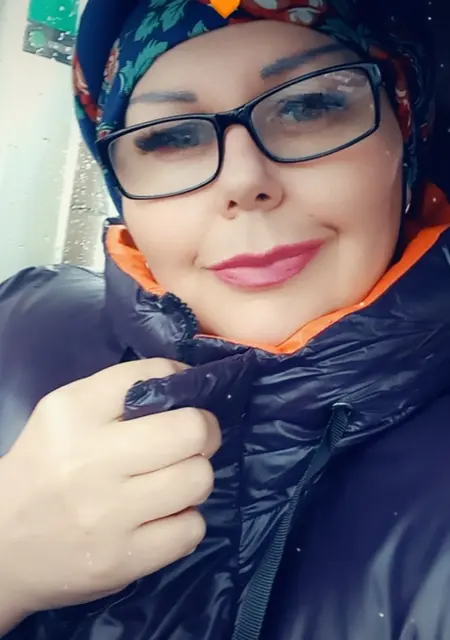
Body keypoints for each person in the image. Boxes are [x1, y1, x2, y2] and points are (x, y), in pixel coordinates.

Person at [0, 0, 449, 638]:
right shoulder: (14, 327)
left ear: (405, 136)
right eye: (170, 136)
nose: (243, 180)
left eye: (310, 106)